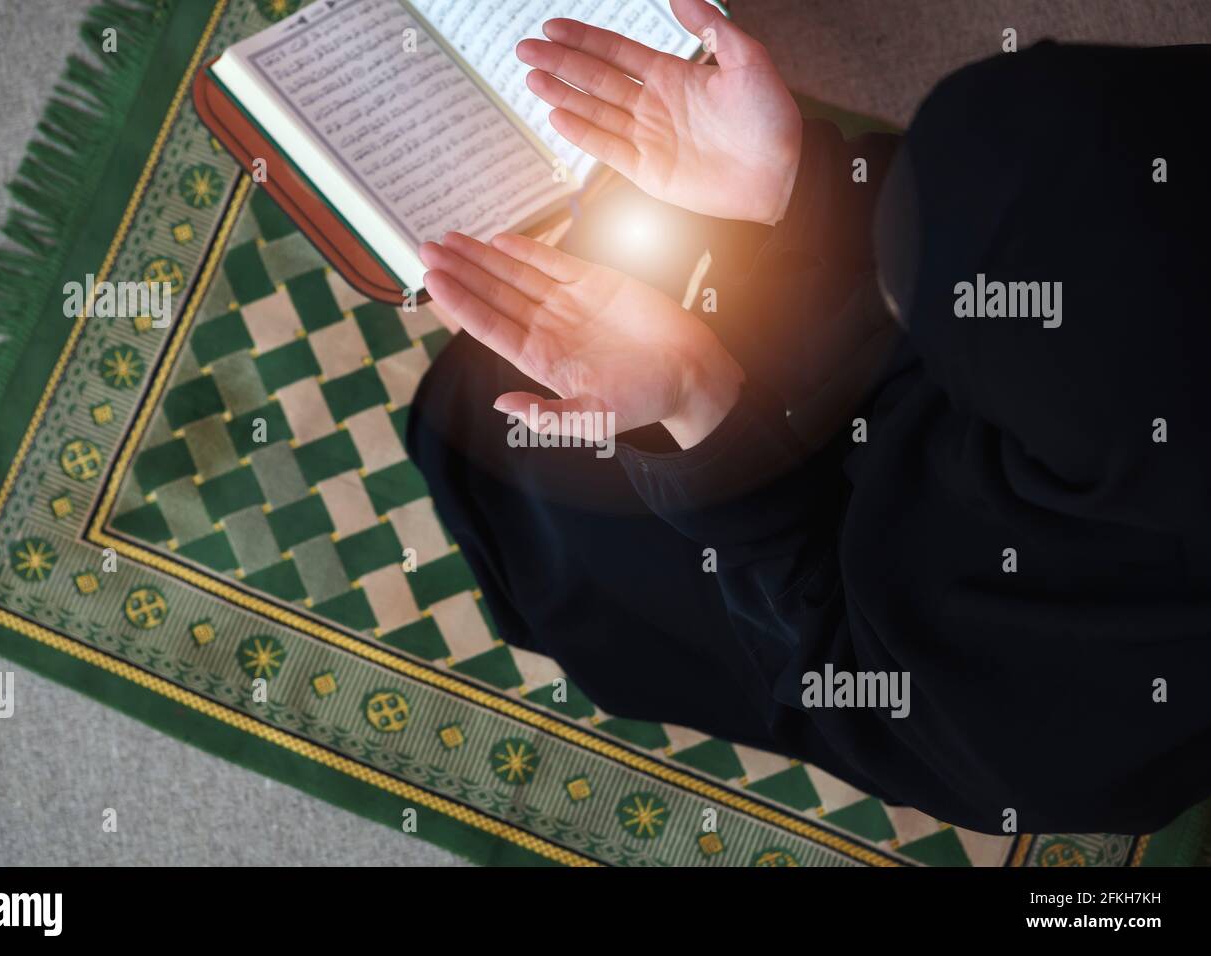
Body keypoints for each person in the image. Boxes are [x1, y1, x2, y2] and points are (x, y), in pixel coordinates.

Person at [405, 0, 1211, 834]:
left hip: (809, 573)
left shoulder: (1058, 739)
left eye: (914, 293)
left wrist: (697, 405)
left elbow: (826, 659)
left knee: (519, 472)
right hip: (969, 394)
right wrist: (800, 183)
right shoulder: (1148, 200)